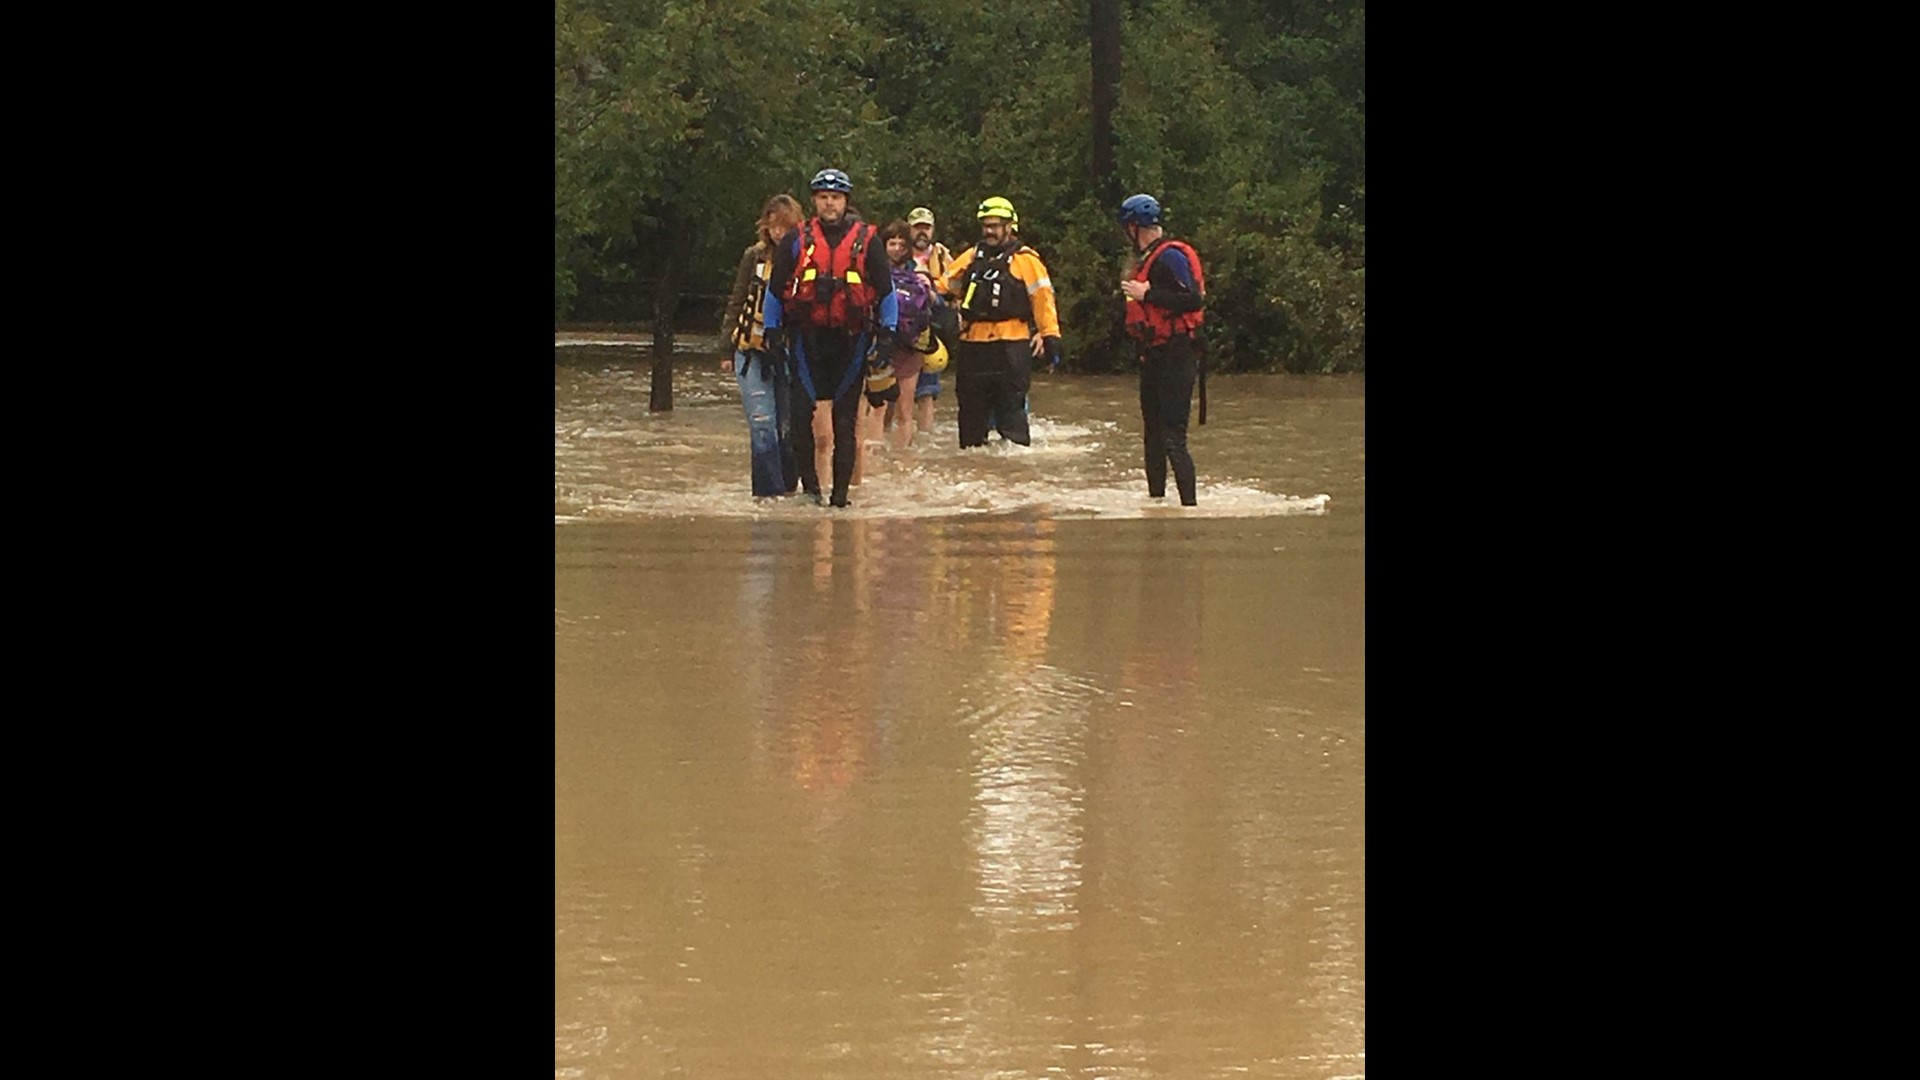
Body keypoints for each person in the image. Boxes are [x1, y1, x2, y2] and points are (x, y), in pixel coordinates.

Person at [762, 168, 899, 507]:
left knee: (845, 420)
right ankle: (810, 491)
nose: (829, 203)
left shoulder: (868, 241)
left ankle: (839, 499)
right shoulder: (797, 239)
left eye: (835, 197)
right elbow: (776, 290)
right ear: (814, 201)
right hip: (807, 340)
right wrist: (772, 330)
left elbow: (886, 292)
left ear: (845, 201)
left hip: (850, 341)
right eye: (823, 197)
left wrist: (887, 334)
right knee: (799, 418)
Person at [934, 196, 1061, 448]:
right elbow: (944, 286)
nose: (989, 231)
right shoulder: (972, 256)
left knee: (1011, 413)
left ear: (1010, 226)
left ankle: (1013, 470)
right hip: (973, 344)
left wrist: (1050, 337)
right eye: (986, 225)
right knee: (970, 416)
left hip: (1011, 344)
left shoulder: (1027, 260)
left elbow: (1043, 299)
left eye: (995, 225)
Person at [1118, 193, 1206, 505]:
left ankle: (1189, 508)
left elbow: (1193, 299)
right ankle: (1156, 503)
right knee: (1152, 433)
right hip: (1154, 353)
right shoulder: (1149, 258)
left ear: (1133, 227)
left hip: (1178, 352)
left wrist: (1149, 293)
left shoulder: (1170, 257)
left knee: (1172, 436)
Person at [720, 194, 804, 497]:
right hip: (750, 350)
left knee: (787, 428)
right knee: (762, 425)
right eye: (772, 228)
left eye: (783, 227)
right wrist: (725, 348)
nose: (778, 234)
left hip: (790, 352)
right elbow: (737, 299)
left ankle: (789, 488)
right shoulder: (753, 257)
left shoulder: (806, 258)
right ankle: (767, 497)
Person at [877, 219, 940, 450]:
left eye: (901, 244)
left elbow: (938, 306)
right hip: (881, 345)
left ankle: (902, 458)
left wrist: (931, 293)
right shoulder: (874, 270)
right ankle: (877, 458)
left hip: (910, 347)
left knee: (905, 408)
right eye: (891, 243)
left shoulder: (921, 273)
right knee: (880, 407)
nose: (896, 248)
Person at [906, 207, 954, 441]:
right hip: (902, 330)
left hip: (931, 329)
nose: (922, 233)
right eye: (917, 228)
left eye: (926, 228)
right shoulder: (897, 252)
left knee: (927, 391)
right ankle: (895, 437)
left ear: (933, 230)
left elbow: (956, 288)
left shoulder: (944, 257)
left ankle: (924, 440)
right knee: (893, 391)